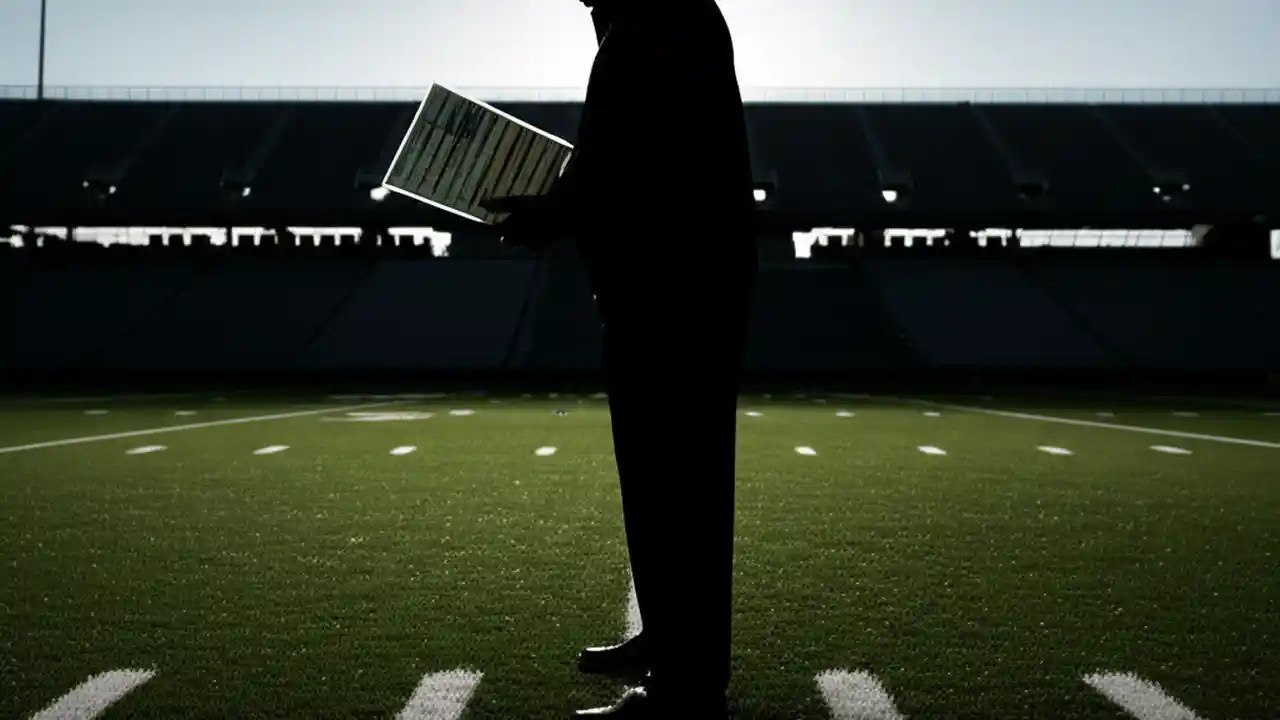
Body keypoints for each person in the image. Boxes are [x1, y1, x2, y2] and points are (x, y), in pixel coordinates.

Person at [483, 0, 757, 716]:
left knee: (673, 481)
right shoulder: (657, 18)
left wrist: (554, 210)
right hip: (676, 286)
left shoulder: (657, 20)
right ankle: (676, 648)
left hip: (672, 289)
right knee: (670, 480)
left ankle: (686, 679)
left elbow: (634, 163)